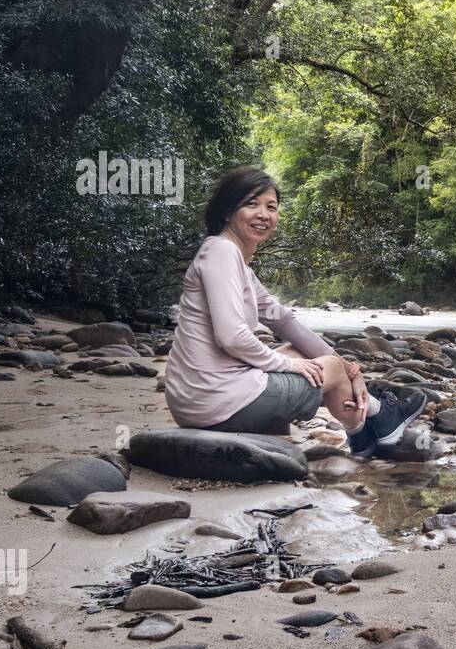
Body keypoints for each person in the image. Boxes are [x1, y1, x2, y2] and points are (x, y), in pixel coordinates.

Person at [163, 166, 425, 457]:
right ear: (227, 212)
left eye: (271, 207)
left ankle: (364, 435)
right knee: (318, 366)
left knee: (306, 353)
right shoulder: (221, 251)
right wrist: (291, 366)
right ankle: (379, 418)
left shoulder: (235, 261)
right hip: (212, 402)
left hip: (203, 399)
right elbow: (231, 336)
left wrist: (352, 372)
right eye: (252, 204)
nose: (263, 214)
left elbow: (283, 320)